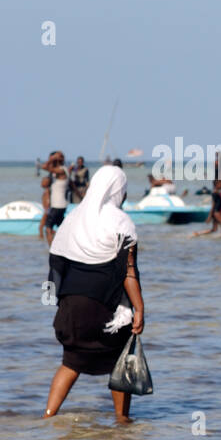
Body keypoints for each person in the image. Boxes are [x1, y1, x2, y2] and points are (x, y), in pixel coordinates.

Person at [44, 165, 145, 422]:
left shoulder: (74, 217)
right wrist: (139, 309)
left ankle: (48, 416)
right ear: (118, 190)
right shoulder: (121, 221)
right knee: (118, 360)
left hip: (70, 308)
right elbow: (128, 272)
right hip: (103, 309)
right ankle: (122, 420)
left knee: (71, 362)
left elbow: (56, 263)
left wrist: (60, 303)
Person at [43, 154, 71, 245]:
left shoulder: (61, 170)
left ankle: (52, 250)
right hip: (60, 205)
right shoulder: (59, 172)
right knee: (63, 228)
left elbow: (44, 167)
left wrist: (51, 159)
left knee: (48, 228)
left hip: (57, 206)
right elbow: (43, 184)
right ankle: (65, 246)